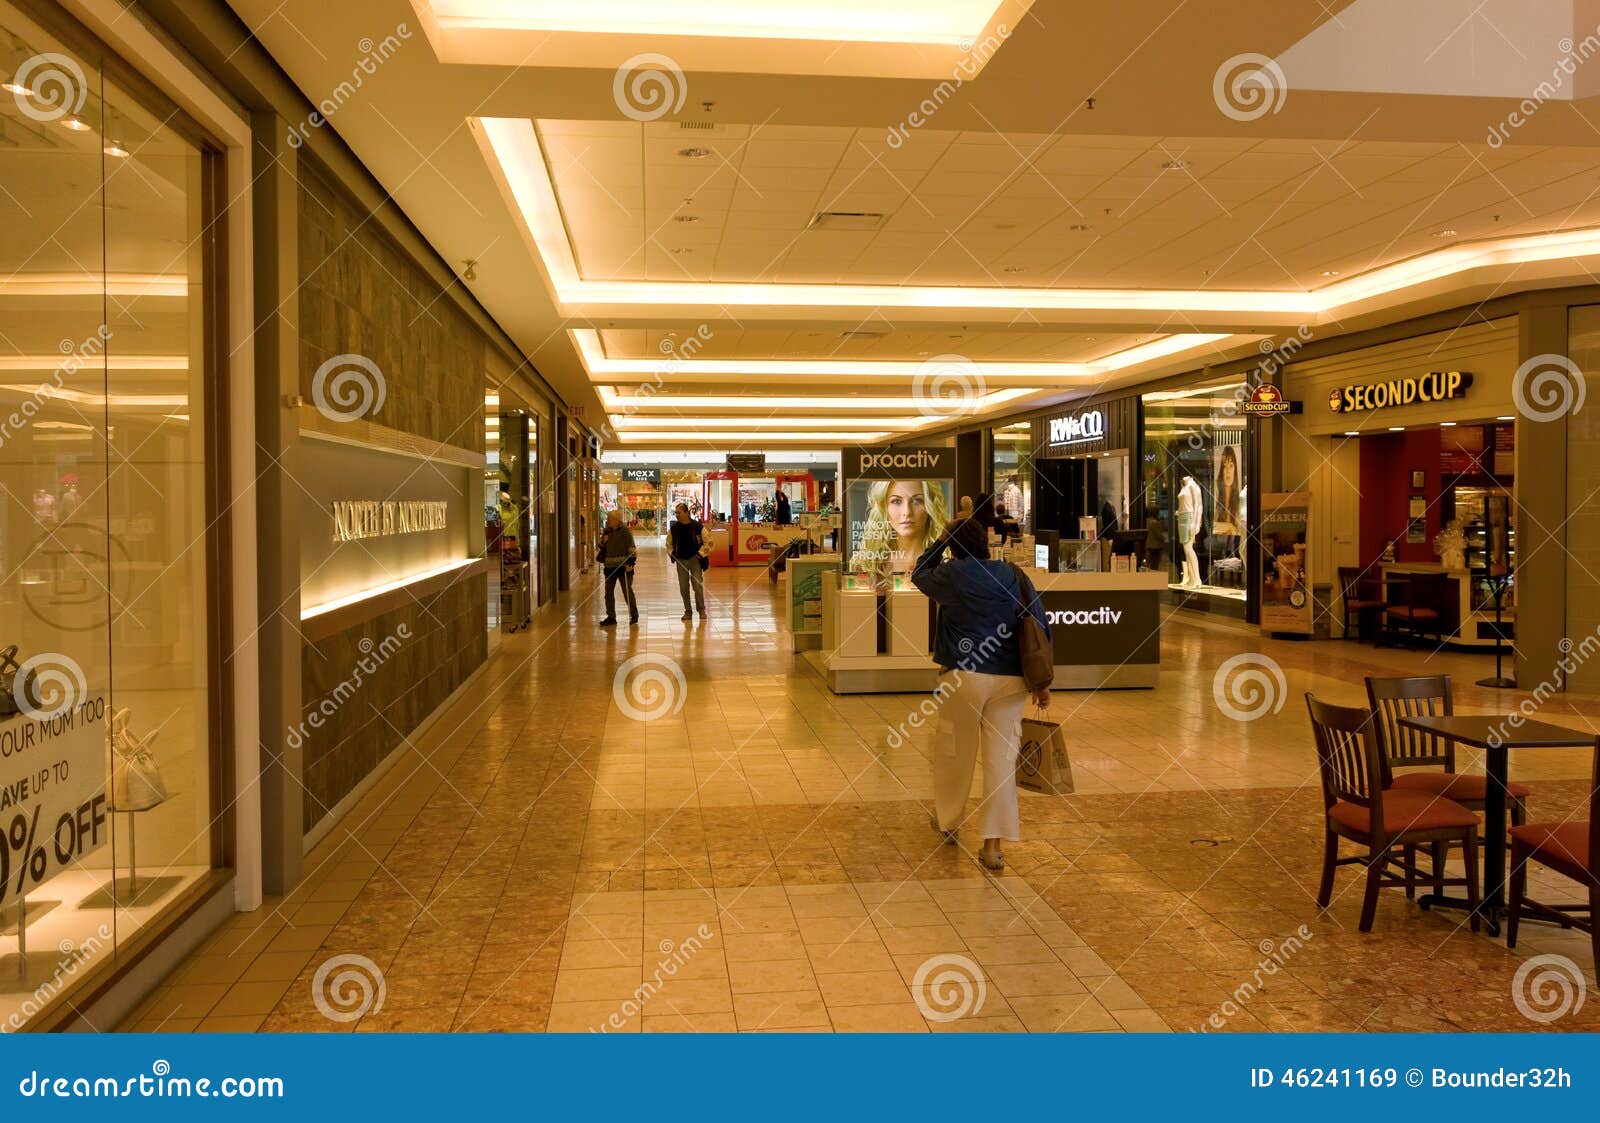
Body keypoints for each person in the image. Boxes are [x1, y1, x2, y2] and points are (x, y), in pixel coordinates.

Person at [911, 517, 1051, 872]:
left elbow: (919, 574)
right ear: (985, 540)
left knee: (954, 751)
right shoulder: (1013, 575)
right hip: (1010, 679)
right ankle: (992, 846)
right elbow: (1039, 623)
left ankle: (950, 821)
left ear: (953, 544)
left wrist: (940, 542)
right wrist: (1042, 683)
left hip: (963, 676)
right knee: (1001, 760)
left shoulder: (951, 575)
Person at [858, 479, 949, 587]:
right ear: (884, 507)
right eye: (896, 501)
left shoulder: (947, 560)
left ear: (930, 505)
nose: (907, 512)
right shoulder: (868, 561)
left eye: (916, 501)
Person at [667, 502, 707, 621]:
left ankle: (701, 610)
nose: (677, 515)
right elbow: (668, 544)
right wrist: (672, 553)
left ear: (686, 512)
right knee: (683, 587)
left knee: (697, 585)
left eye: (679, 512)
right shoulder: (674, 528)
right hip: (681, 561)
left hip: (695, 560)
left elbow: (709, 542)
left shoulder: (698, 526)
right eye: (676, 513)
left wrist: (700, 554)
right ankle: (688, 611)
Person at [597, 509, 637, 627]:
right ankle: (611, 616)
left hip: (623, 566)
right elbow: (601, 546)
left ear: (616, 520)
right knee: (608, 593)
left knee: (627, 591)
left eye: (609, 519)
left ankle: (634, 614)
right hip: (609, 565)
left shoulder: (625, 531)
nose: (608, 521)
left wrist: (630, 563)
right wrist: (603, 542)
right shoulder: (607, 531)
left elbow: (631, 547)